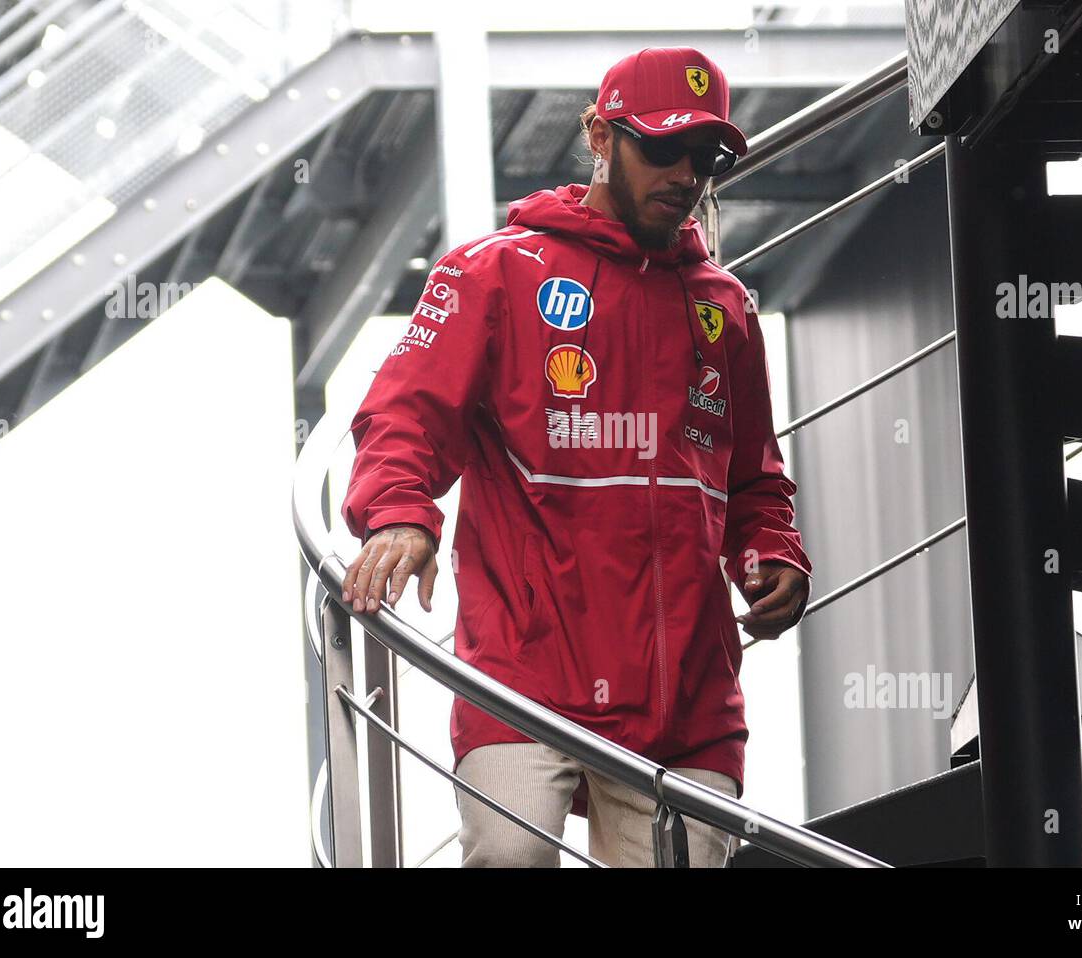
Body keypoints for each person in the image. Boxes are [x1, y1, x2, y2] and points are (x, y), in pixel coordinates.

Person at [340, 46, 811, 868]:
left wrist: (771, 550)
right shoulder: (492, 274)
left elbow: (754, 478)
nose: (685, 175)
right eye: (661, 148)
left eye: (703, 157)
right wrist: (402, 515)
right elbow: (404, 416)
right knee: (511, 859)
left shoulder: (726, 307)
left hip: (688, 697)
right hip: (524, 674)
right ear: (599, 134)